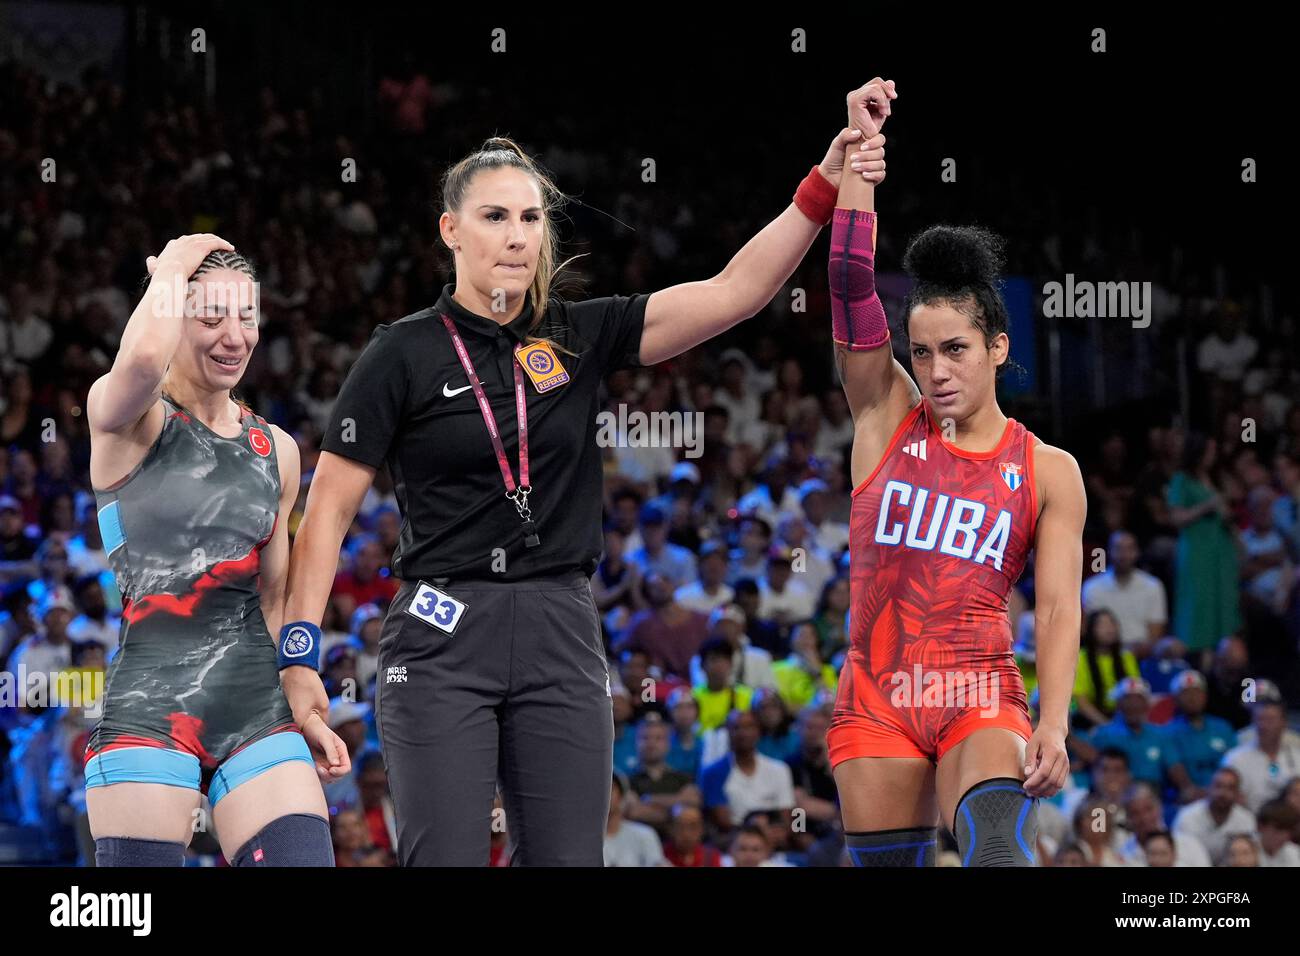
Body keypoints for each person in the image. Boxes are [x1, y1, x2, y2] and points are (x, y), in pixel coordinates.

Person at [281, 126, 888, 865]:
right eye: (495, 216)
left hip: (560, 627)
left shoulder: (581, 332)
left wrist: (822, 184)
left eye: (531, 218)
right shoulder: (400, 352)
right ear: (451, 230)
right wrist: (300, 656)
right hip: (440, 636)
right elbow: (326, 517)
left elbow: (737, 291)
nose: (517, 236)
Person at [825, 79, 1086, 867]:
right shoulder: (884, 415)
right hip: (875, 698)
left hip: (981, 693)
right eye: (923, 350)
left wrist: (1054, 722)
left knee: (1000, 850)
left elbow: (1059, 605)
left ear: (999, 346)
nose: (936, 370)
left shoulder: (1048, 468)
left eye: (957, 350)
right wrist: (858, 166)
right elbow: (847, 282)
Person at [82, 235, 344, 867]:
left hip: (255, 706)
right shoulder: (127, 419)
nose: (235, 336)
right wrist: (171, 262)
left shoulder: (275, 449)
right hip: (150, 704)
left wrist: (298, 686)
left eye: (247, 317)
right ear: (173, 314)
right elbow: (144, 357)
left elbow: (275, 594)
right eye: (211, 317)